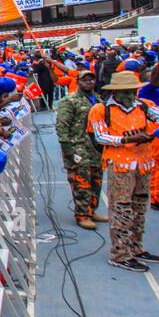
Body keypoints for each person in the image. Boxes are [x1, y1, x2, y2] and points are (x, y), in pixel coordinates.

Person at [88, 71, 159, 271]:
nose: (131, 95)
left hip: (143, 163)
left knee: (140, 206)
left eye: (133, 91)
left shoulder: (144, 106)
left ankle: (135, 246)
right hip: (120, 165)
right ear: (117, 92)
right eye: (127, 92)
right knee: (121, 208)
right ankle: (120, 252)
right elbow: (100, 136)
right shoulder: (101, 110)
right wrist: (127, 140)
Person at [54, 68, 105, 229]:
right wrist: (67, 147)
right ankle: (82, 214)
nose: (89, 82)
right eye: (85, 80)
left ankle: (91, 210)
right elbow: (62, 125)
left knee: (96, 180)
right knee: (81, 181)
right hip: (77, 147)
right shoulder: (69, 101)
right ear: (78, 82)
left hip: (96, 147)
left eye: (91, 79)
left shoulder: (97, 99)